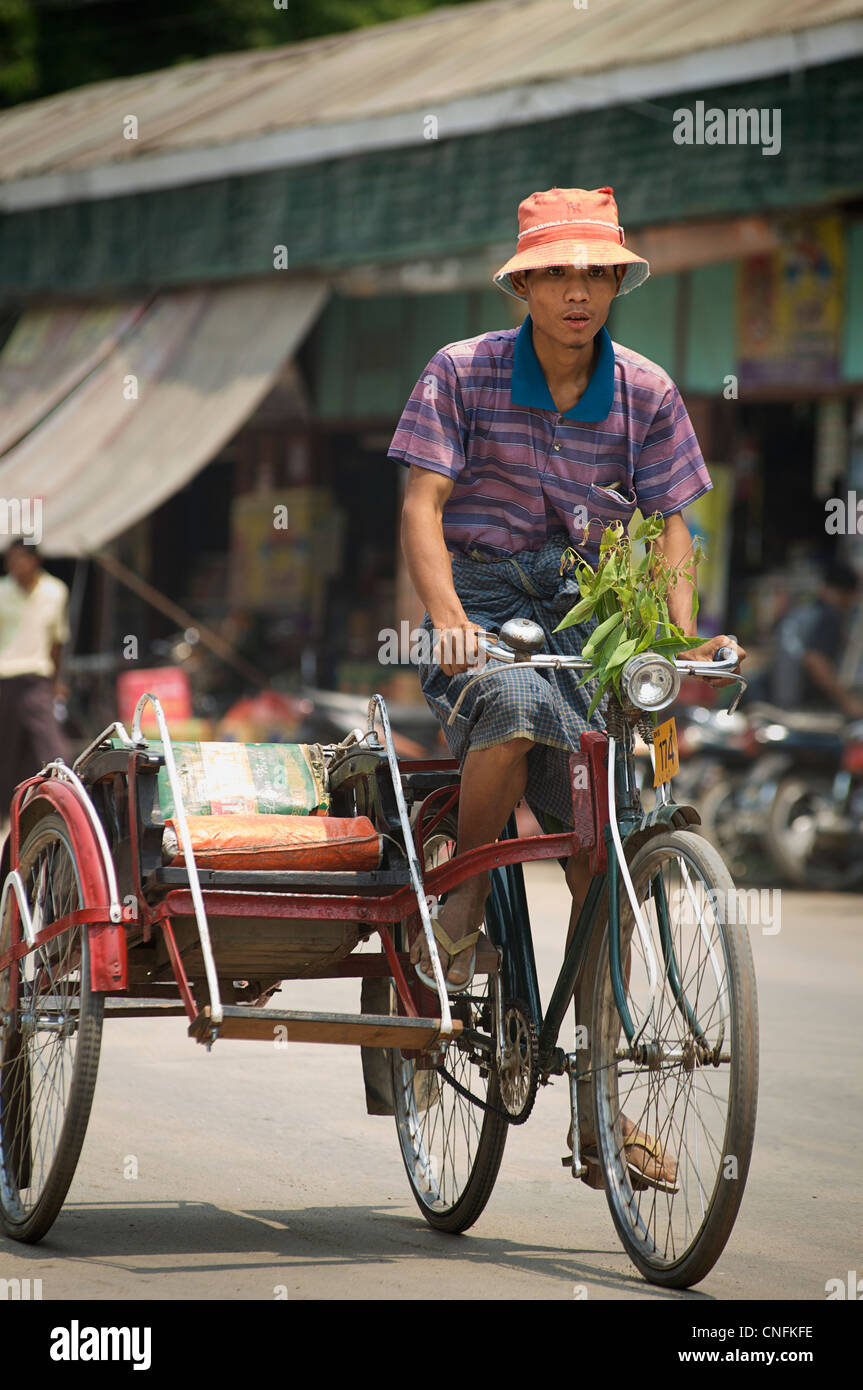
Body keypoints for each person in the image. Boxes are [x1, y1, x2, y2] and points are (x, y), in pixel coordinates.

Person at [389, 185, 745, 1186]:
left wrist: (671, 635)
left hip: (592, 618)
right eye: (555, 272)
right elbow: (422, 505)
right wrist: (449, 623)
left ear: (612, 281)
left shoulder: (644, 389)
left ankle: (599, 1114)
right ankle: (458, 918)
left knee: (610, 866)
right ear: (525, 284)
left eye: (593, 271)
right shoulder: (458, 373)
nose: (576, 290)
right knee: (506, 703)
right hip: (484, 607)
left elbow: (672, 520)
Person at [0, 539, 71, 817]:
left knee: (51, 746)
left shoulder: (54, 592)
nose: (15, 566)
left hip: (37, 678)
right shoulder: (3, 591)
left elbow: (57, 641)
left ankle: (62, 800)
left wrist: (56, 681)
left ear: (35, 560)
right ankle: (10, 811)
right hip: (5, 679)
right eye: (11, 560)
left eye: (20, 560)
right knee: (8, 749)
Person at [760, 563, 863, 717]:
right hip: (802, 709)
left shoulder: (800, 613)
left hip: (776, 703)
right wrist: (847, 701)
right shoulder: (829, 617)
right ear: (847, 593)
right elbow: (815, 660)